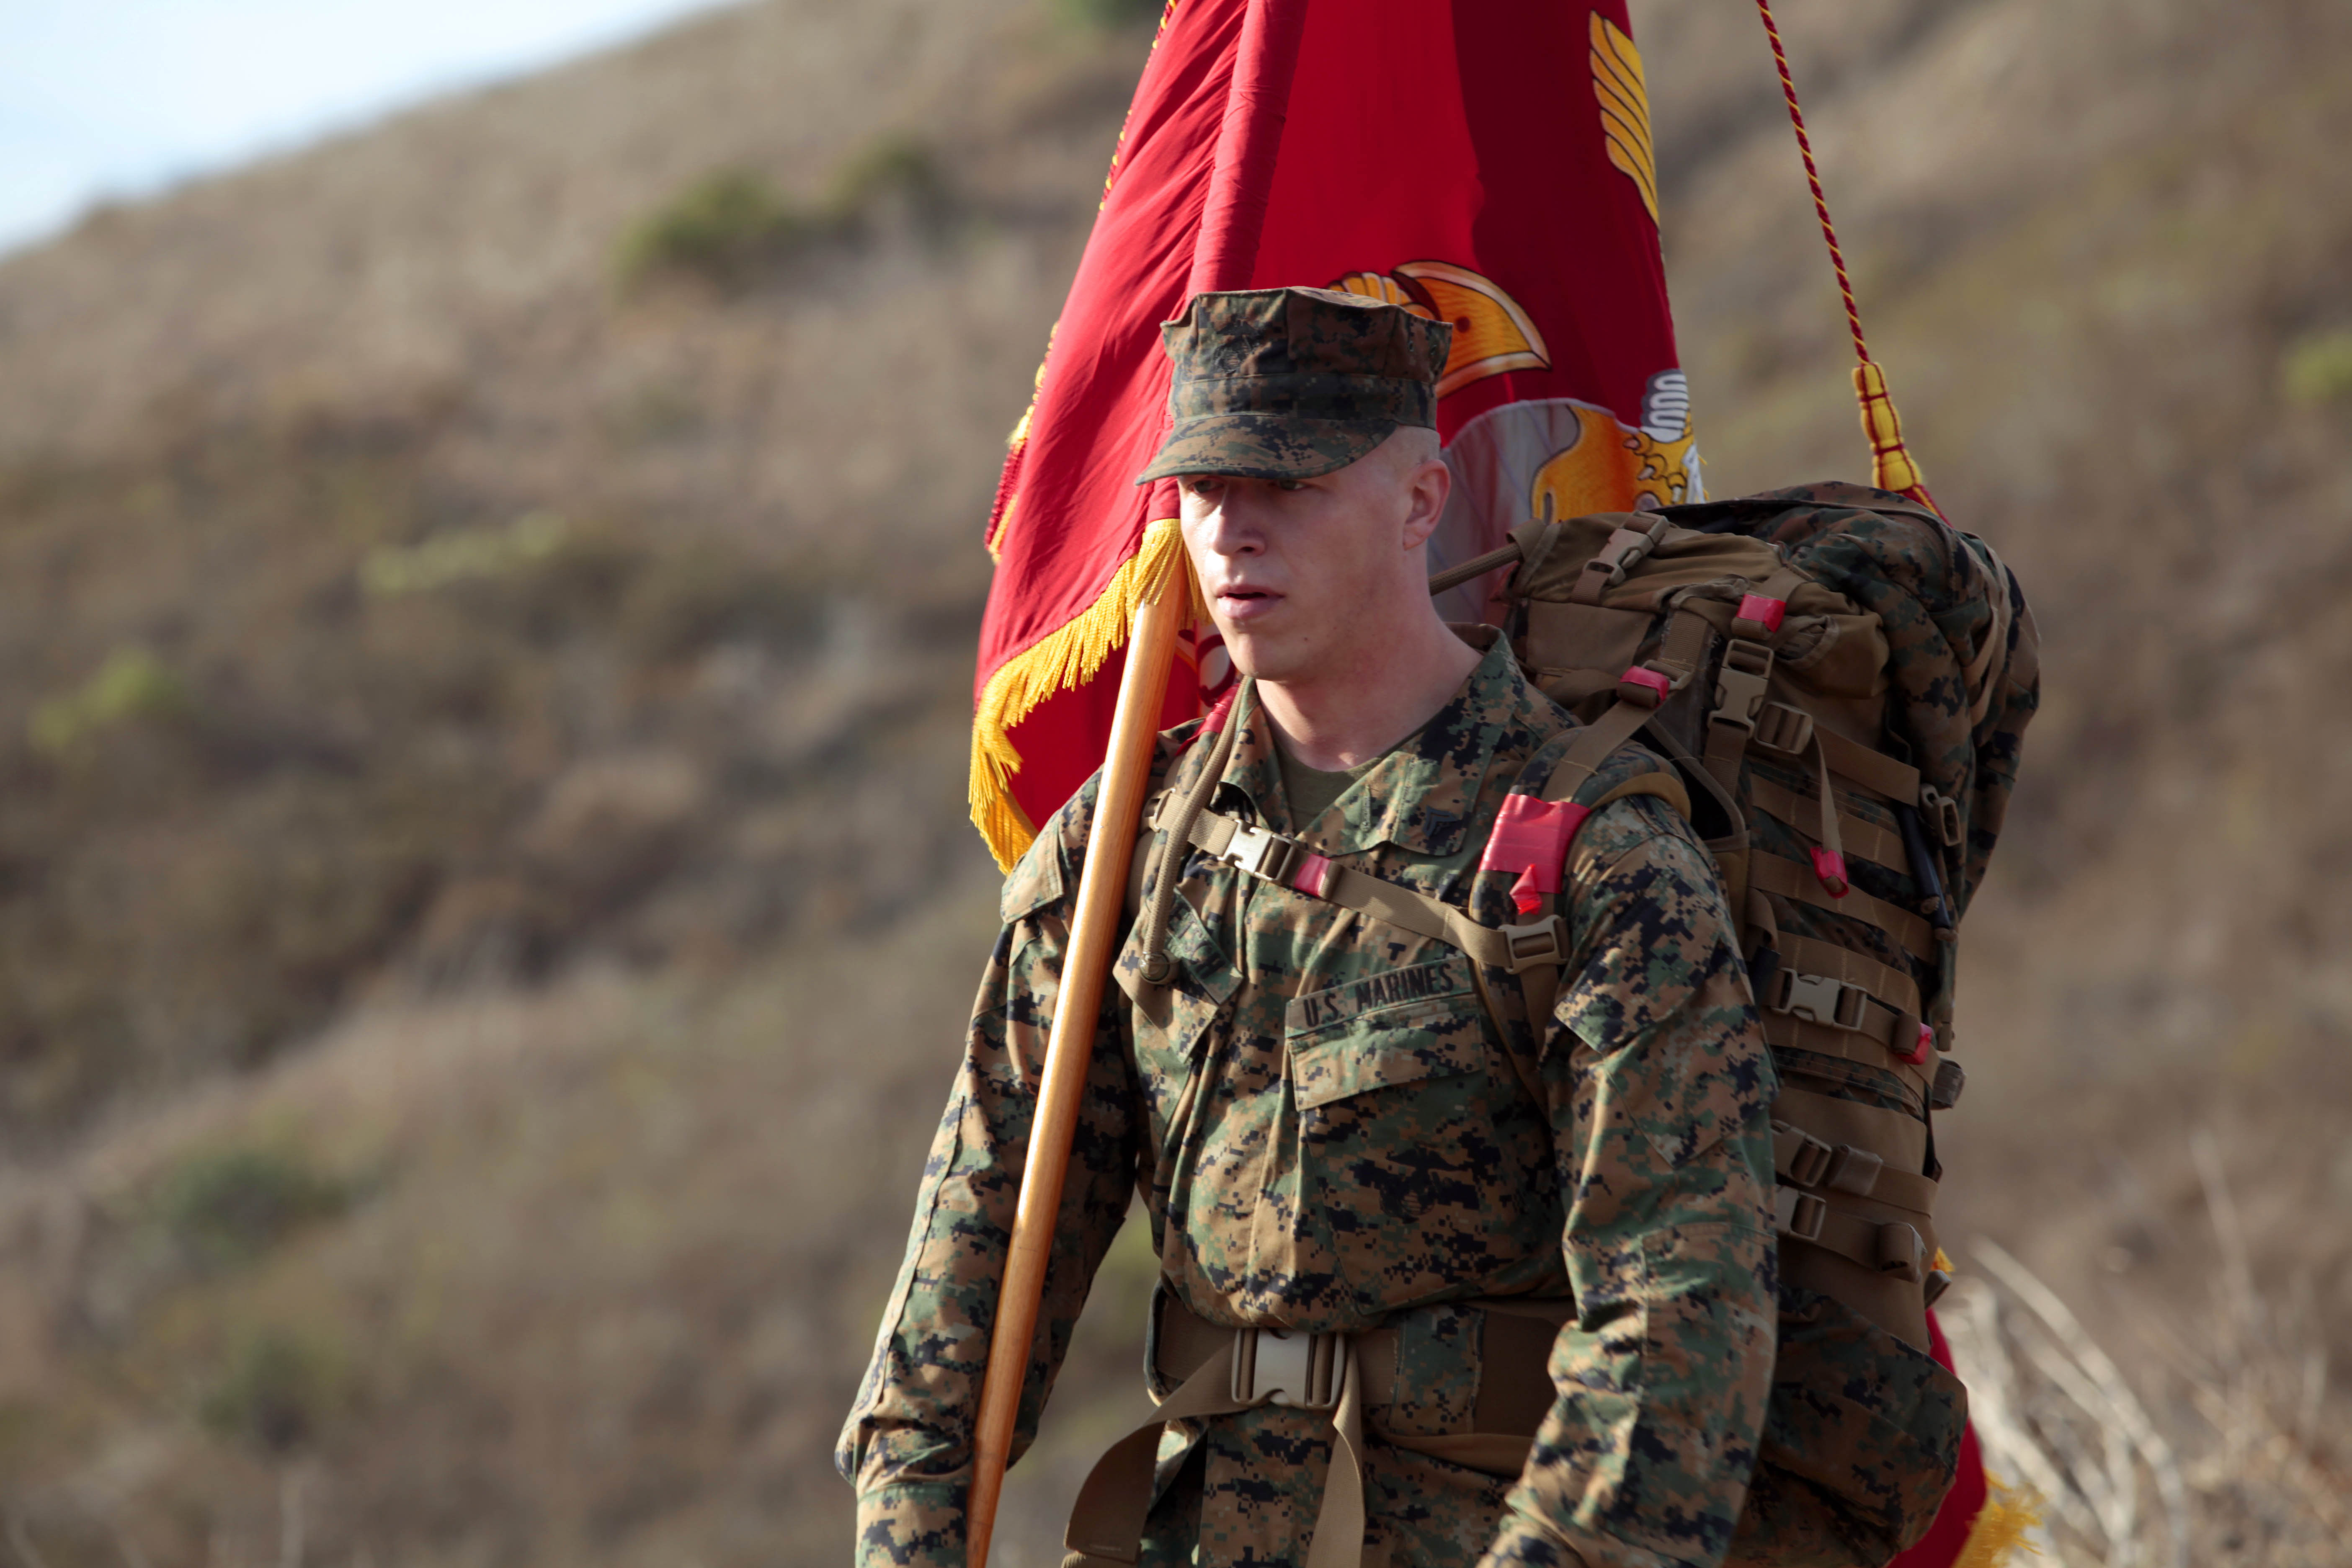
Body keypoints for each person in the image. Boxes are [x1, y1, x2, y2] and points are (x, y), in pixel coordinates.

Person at [838, 286, 1779, 1568]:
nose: (1234, 533)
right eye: (1203, 489)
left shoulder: (1590, 855)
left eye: (1289, 486)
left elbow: (1677, 1325)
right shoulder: (1128, 846)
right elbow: (969, 1278)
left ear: (1420, 501)